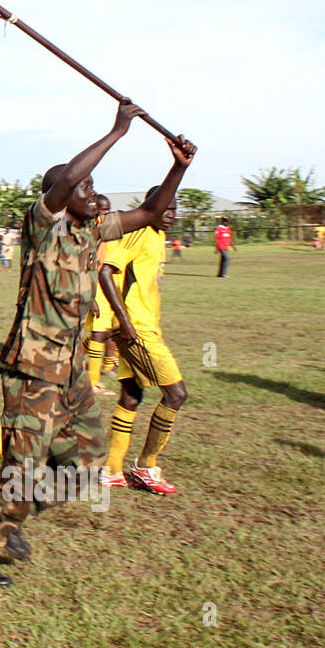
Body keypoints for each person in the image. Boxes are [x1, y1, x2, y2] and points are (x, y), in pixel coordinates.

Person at [0, 101, 196, 589]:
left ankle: (9, 517)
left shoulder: (92, 231)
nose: (96, 192)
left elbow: (151, 211)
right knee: (22, 465)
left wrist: (178, 167)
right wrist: (117, 131)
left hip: (72, 374)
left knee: (87, 466)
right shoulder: (43, 229)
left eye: (93, 186)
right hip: (32, 370)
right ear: (60, 198)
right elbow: (66, 182)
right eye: (87, 187)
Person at [100, 187, 191, 495]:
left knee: (131, 394)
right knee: (176, 394)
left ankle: (112, 469)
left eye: (174, 210)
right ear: (151, 207)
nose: (170, 215)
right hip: (136, 329)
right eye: (166, 209)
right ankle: (146, 466)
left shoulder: (158, 237)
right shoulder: (140, 233)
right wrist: (125, 321)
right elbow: (105, 272)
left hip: (140, 326)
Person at [85, 194, 119, 397]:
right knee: (99, 333)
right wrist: (90, 295)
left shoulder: (109, 229)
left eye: (107, 210)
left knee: (102, 332)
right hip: (97, 287)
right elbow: (91, 262)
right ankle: (92, 381)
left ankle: (68, 363)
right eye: (101, 210)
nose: (104, 213)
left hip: (109, 288)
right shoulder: (93, 230)